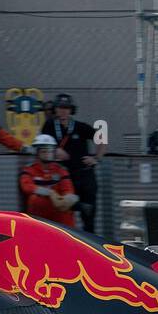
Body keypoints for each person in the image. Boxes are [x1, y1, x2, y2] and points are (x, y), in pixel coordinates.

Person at [40, 93, 104, 231]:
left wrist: (96, 158)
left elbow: (102, 140)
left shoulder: (80, 127)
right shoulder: (49, 126)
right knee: (64, 214)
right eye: (60, 108)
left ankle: (90, 245)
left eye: (66, 108)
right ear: (55, 110)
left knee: (89, 216)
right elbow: (42, 145)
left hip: (85, 174)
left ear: (71, 110)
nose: (63, 111)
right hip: (65, 177)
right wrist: (56, 149)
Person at [20, 135, 78, 227]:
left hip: (58, 215)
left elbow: (68, 189)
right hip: (38, 215)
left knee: (67, 205)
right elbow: (26, 187)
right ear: (37, 152)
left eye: (50, 151)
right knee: (35, 199)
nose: (47, 153)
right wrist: (50, 193)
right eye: (44, 151)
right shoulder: (29, 170)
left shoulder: (60, 170)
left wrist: (68, 199)